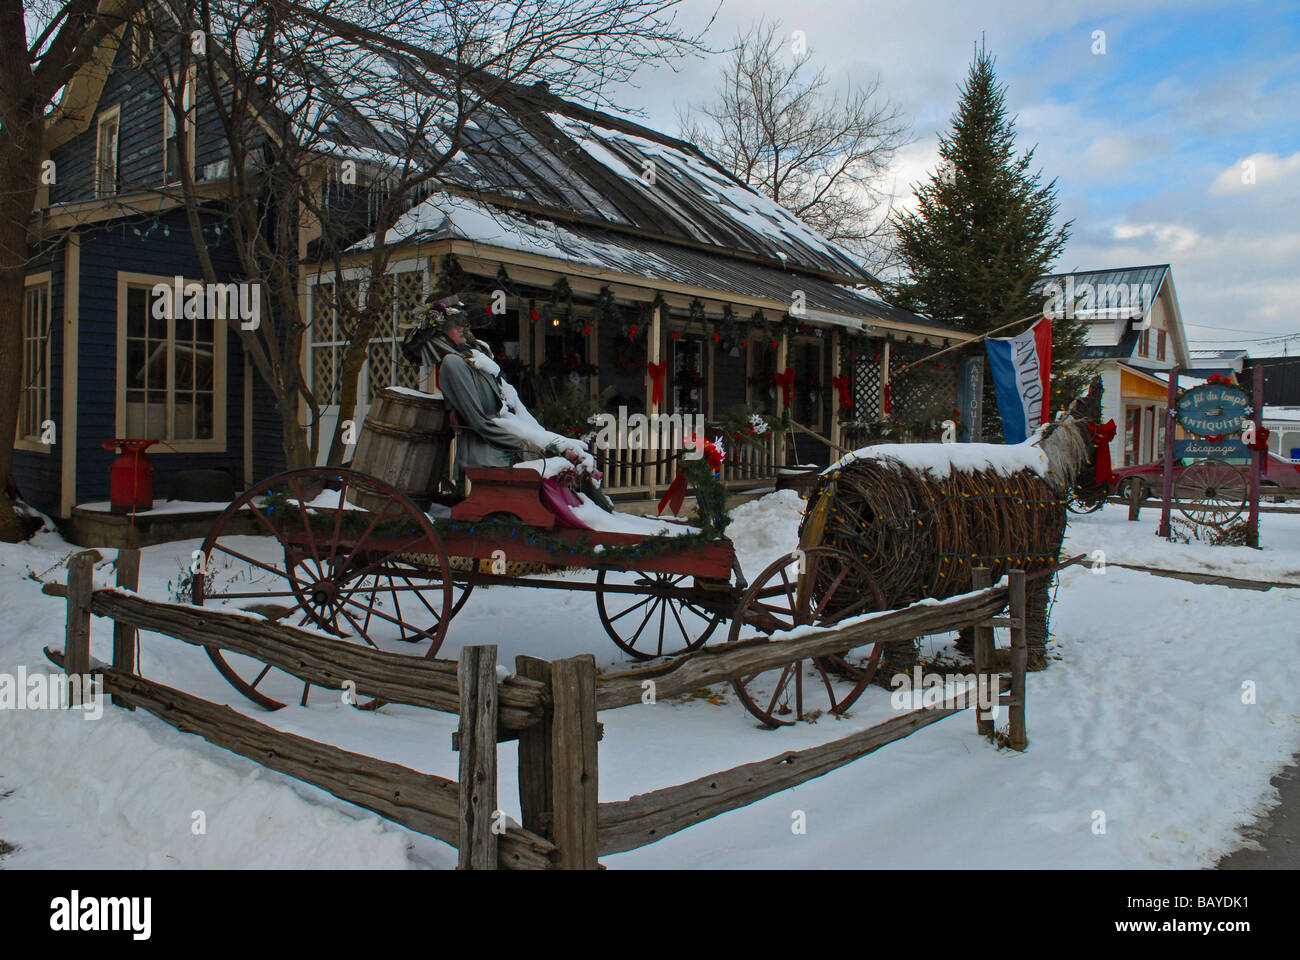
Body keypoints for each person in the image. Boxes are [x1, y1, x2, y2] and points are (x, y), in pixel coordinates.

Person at [402, 298, 615, 513]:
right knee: (555, 454)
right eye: (453, 326)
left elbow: (510, 406)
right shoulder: (452, 364)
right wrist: (519, 444)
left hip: (508, 429)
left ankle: (600, 512)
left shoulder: (473, 360)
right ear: (440, 333)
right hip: (489, 446)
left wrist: (537, 436)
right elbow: (478, 419)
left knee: (572, 452)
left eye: (461, 325)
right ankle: (595, 514)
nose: (460, 329)